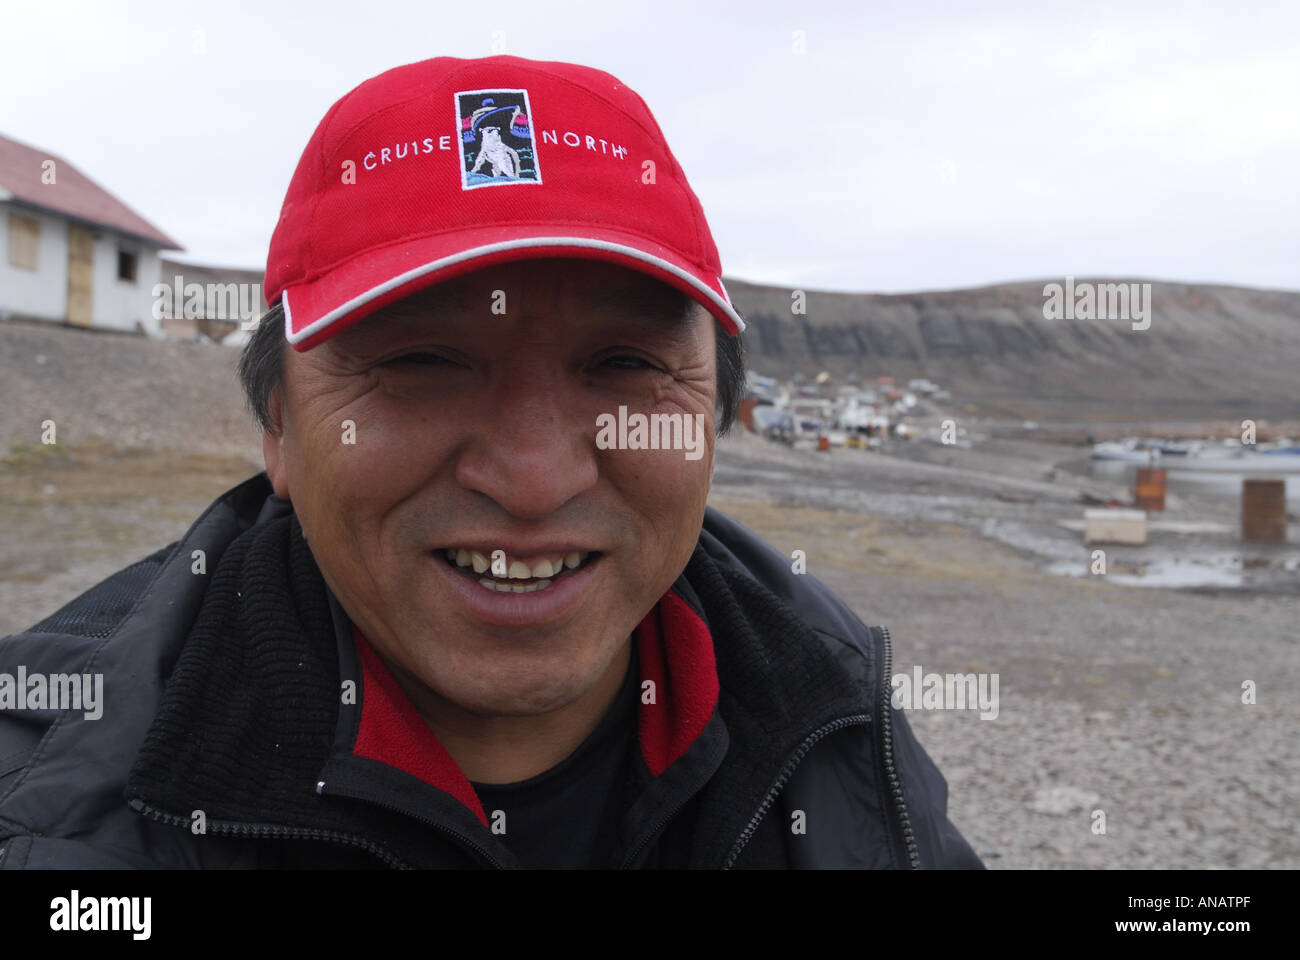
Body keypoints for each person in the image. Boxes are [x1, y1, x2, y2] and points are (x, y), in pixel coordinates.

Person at [0, 54, 982, 869]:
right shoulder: (40, 796)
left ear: (714, 417)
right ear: (278, 431)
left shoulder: (839, 723)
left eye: (623, 365)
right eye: (421, 363)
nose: (533, 479)